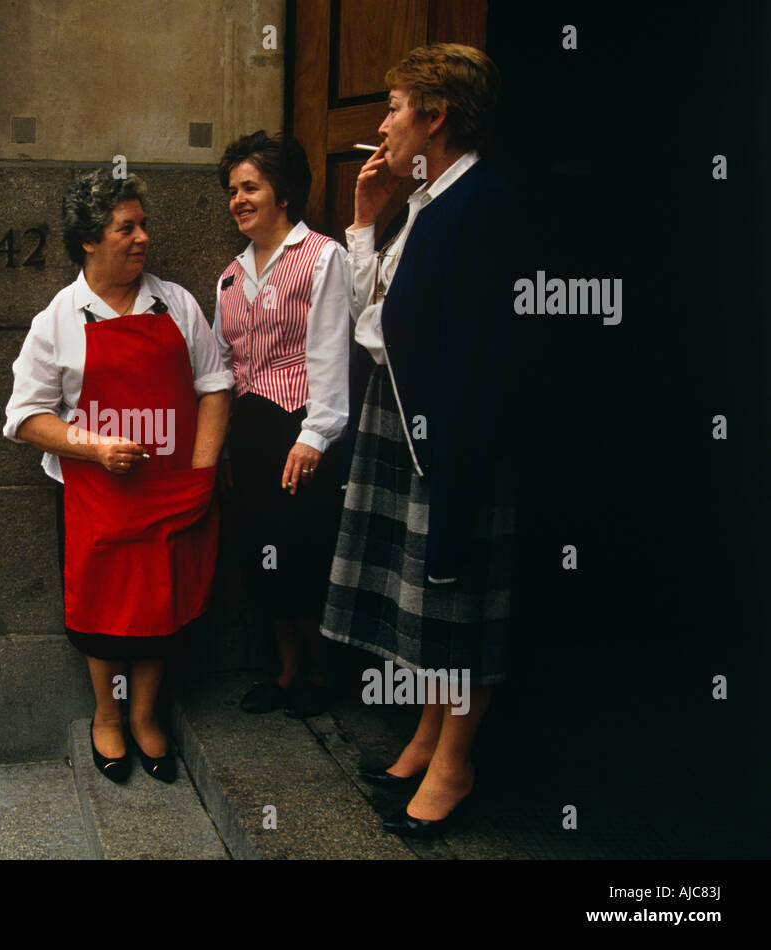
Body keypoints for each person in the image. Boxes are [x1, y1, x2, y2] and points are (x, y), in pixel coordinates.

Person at [321, 43, 522, 836]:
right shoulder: (429, 199)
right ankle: (428, 735)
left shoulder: (487, 200)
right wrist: (368, 222)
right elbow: (375, 313)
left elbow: (480, 343)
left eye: (396, 106)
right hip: (407, 415)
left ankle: (455, 764)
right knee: (426, 604)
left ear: (435, 117)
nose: (382, 124)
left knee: (457, 597)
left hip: (453, 430)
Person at [4, 169, 232, 784]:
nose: (142, 238)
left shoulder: (177, 303)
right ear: (88, 240)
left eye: (143, 225)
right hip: (100, 496)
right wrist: (95, 446)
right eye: (125, 228)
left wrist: (203, 472)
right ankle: (108, 713)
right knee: (104, 608)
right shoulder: (58, 318)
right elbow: (24, 417)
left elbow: (214, 387)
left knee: (162, 603)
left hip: (172, 490)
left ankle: (145, 716)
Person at [212, 131, 354, 720]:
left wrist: (315, 435)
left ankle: (320, 674)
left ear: (284, 193)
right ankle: (285, 671)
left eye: (250, 187)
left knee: (302, 552)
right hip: (248, 435)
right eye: (232, 190)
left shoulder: (323, 256)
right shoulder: (229, 275)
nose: (238, 199)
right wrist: (218, 450)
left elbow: (330, 352)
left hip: (298, 430)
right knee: (260, 556)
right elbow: (222, 364)